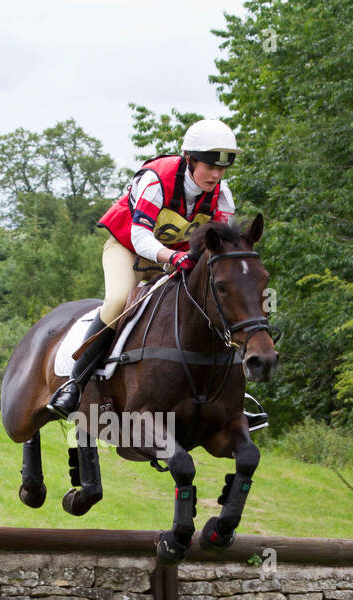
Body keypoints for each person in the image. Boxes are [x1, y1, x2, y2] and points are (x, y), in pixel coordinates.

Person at [46, 118, 241, 418]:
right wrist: (173, 258)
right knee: (116, 301)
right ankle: (75, 383)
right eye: (209, 166)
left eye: (222, 167)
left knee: (210, 306)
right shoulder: (156, 180)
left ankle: (229, 401)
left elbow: (220, 249)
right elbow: (139, 236)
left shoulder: (222, 196)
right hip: (127, 249)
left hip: (172, 259)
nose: (216, 174)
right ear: (189, 159)